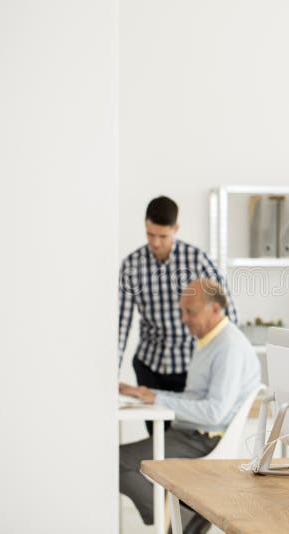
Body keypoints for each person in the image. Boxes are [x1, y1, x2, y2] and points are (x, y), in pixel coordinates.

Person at [119, 279, 260, 532]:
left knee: (117, 461)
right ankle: (184, 515)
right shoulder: (209, 340)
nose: (183, 318)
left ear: (215, 309)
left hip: (203, 438)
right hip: (189, 433)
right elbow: (196, 398)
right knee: (119, 459)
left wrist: (158, 399)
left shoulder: (229, 347)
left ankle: (183, 518)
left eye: (190, 311)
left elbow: (214, 411)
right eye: (182, 310)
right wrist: (147, 393)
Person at [118, 195, 237, 402]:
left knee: (183, 431)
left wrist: (228, 362)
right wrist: (111, 373)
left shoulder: (196, 259)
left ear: (176, 229)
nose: (155, 242)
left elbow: (226, 310)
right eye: (150, 234)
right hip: (149, 364)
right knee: (156, 432)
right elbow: (121, 323)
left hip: (188, 365)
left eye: (162, 236)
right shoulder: (132, 264)